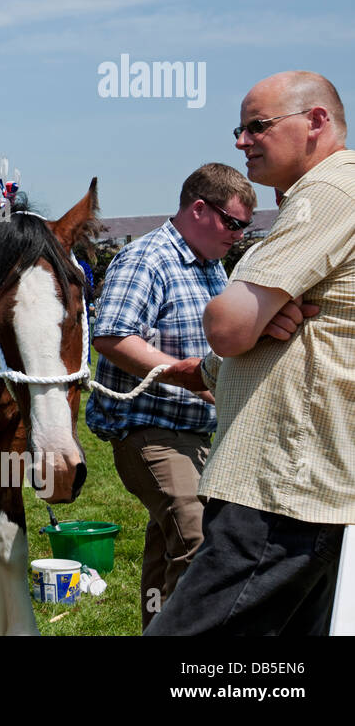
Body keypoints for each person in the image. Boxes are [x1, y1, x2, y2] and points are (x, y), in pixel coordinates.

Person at [148, 71, 352, 636]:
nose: (241, 142)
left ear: (316, 122)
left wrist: (246, 319)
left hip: (277, 484)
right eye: (239, 129)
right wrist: (253, 324)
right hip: (306, 483)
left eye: (257, 126)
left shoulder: (329, 192)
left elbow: (226, 324)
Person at [86, 163, 255, 630]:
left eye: (246, 226)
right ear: (199, 209)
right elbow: (112, 337)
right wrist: (184, 376)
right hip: (148, 432)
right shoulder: (147, 258)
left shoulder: (212, 265)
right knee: (199, 542)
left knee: (170, 545)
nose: (239, 235)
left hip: (196, 432)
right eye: (233, 223)